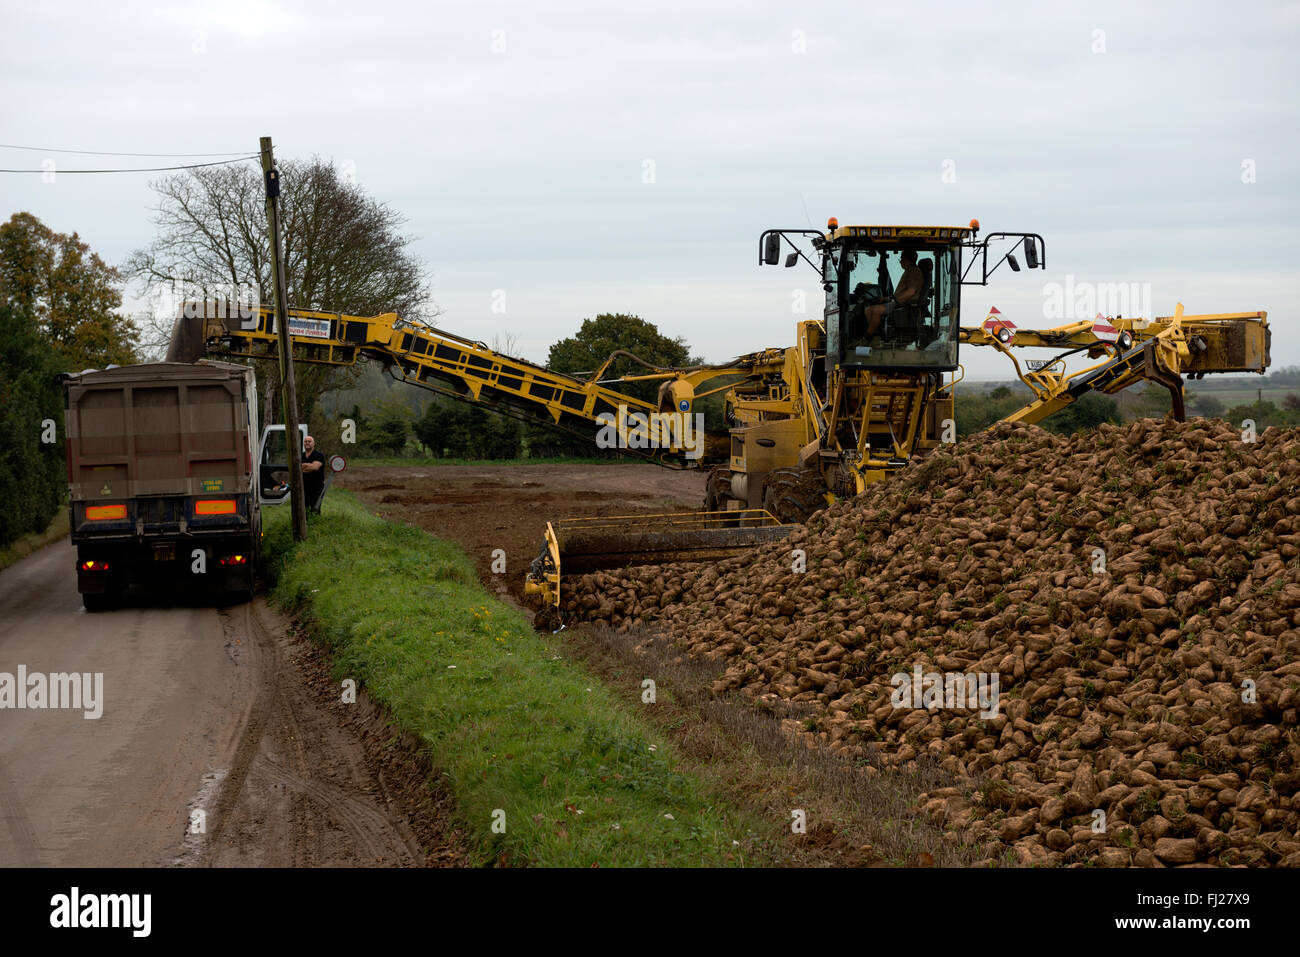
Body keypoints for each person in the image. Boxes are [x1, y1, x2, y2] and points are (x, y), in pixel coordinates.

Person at [866, 249, 924, 338]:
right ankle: (876, 336)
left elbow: (911, 292)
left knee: (875, 310)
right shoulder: (909, 271)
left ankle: (869, 338)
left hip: (904, 305)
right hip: (900, 303)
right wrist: (885, 299)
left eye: (901, 259)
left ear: (907, 260)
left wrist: (895, 300)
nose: (900, 261)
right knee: (869, 310)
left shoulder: (914, 272)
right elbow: (900, 294)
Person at [302, 434, 327, 512]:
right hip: (303, 486)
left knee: (315, 508)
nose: (307, 443)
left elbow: (315, 467)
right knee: (304, 508)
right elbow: (296, 468)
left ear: (314, 443)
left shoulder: (319, 455)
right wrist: (310, 465)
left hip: (316, 486)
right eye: (305, 441)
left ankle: (315, 522)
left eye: (309, 441)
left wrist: (303, 466)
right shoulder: (300, 455)